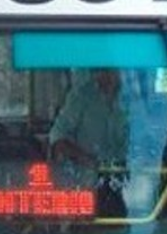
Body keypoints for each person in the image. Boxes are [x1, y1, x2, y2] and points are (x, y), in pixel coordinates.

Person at [49, 69, 130, 216]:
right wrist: (85, 159)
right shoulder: (81, 97)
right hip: (87, 184)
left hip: (127, 184)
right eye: (104, 69)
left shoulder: (132, 98)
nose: (110, 74)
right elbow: (57, 138)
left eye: (115, 69)